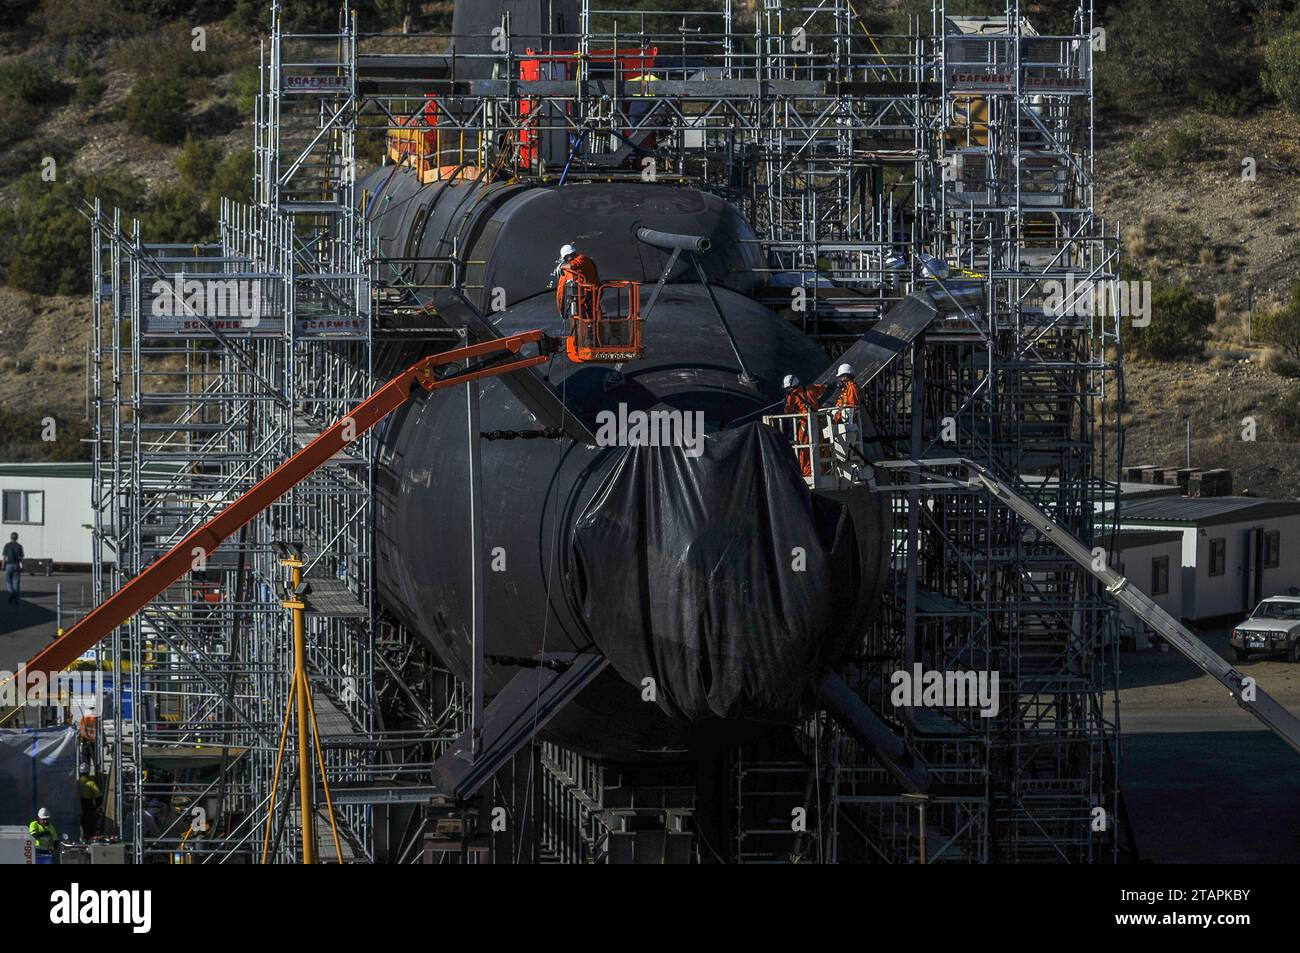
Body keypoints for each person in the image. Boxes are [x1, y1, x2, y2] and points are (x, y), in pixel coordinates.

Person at [782, 374, 827, 477]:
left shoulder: (792, 396)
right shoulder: (811, 388)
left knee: (805, 449)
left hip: (805, 425)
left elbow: (788, 412)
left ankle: (806, 474)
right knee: (819, 448)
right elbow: (823, 388)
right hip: (818, 423)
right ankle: (821, 472)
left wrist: (787, 403)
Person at [554, 243, 600, 323]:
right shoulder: (583, 260)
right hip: (590, 294)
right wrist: (561, 310)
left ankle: (593, 328)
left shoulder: (580, 261)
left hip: (591, 293)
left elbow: (574, 264)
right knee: (592, 314)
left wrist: (561, 311)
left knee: (592, 313)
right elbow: (560, 292)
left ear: (567, 257)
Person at [79, 772, 102, 840]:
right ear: (88, 772)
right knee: (89, 821)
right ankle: (88, 836)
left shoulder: (76, 781)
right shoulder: (90, 782)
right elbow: (98, 795)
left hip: (76, 803)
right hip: (87, 803)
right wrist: (97, 806)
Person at [2, 532, 22, 604]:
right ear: (17, 537)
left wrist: (3, 565)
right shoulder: (19, 546)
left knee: (8, 581)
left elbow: (4, 557)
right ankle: (16, 599)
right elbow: (21, 557)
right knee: (16, 582)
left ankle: (11, 593)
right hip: (16, 565)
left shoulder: (7, 545)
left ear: (10, 537)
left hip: (9, 565)